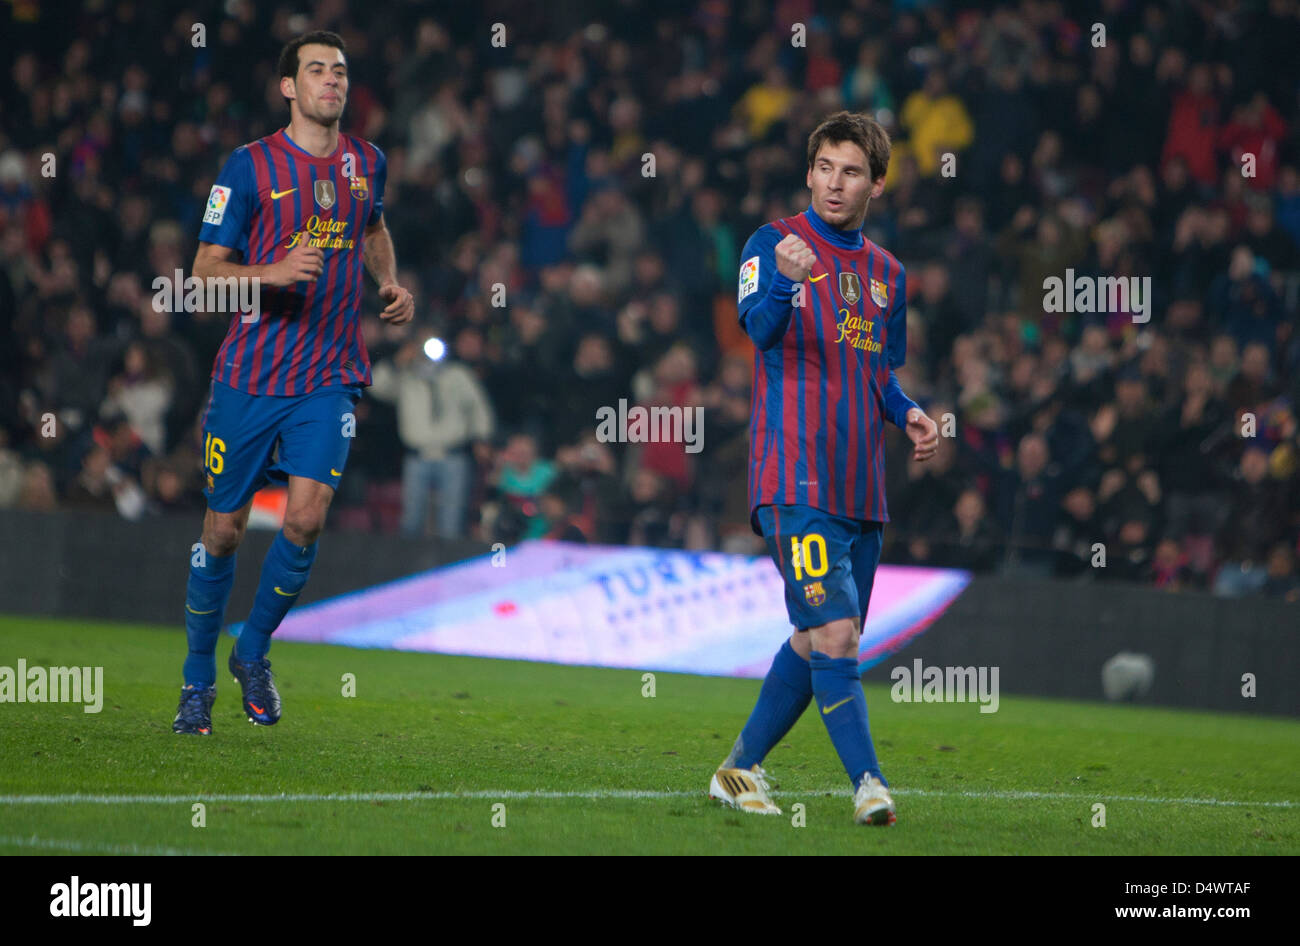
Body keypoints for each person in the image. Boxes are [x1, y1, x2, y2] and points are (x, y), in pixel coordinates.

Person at [172, 31, 414, 735]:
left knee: (306, 517)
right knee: (222, 532)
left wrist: (389, 281)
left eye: (340, 70)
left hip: (329, 376)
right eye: (316, 70)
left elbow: (372, 227)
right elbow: (204, 274)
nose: (331, 81)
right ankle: (195, 682)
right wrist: (269, 274)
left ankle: (252, 650)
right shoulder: (247, 168)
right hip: (249, 378)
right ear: (289, 88)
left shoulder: (367, 162)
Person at [710, 111, 938, 825]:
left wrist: (908, 414)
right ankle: (868, 783)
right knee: (838, 636)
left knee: (818, 639)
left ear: (876, 183)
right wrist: (783, 282)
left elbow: (878, 376)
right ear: (809, 172)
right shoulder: (773, 243)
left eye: (852, 172)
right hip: (793, 478)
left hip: (861, 490)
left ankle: (738, 769)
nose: (836, 184)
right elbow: (760, 331)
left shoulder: (887, 275)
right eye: (826, 168)